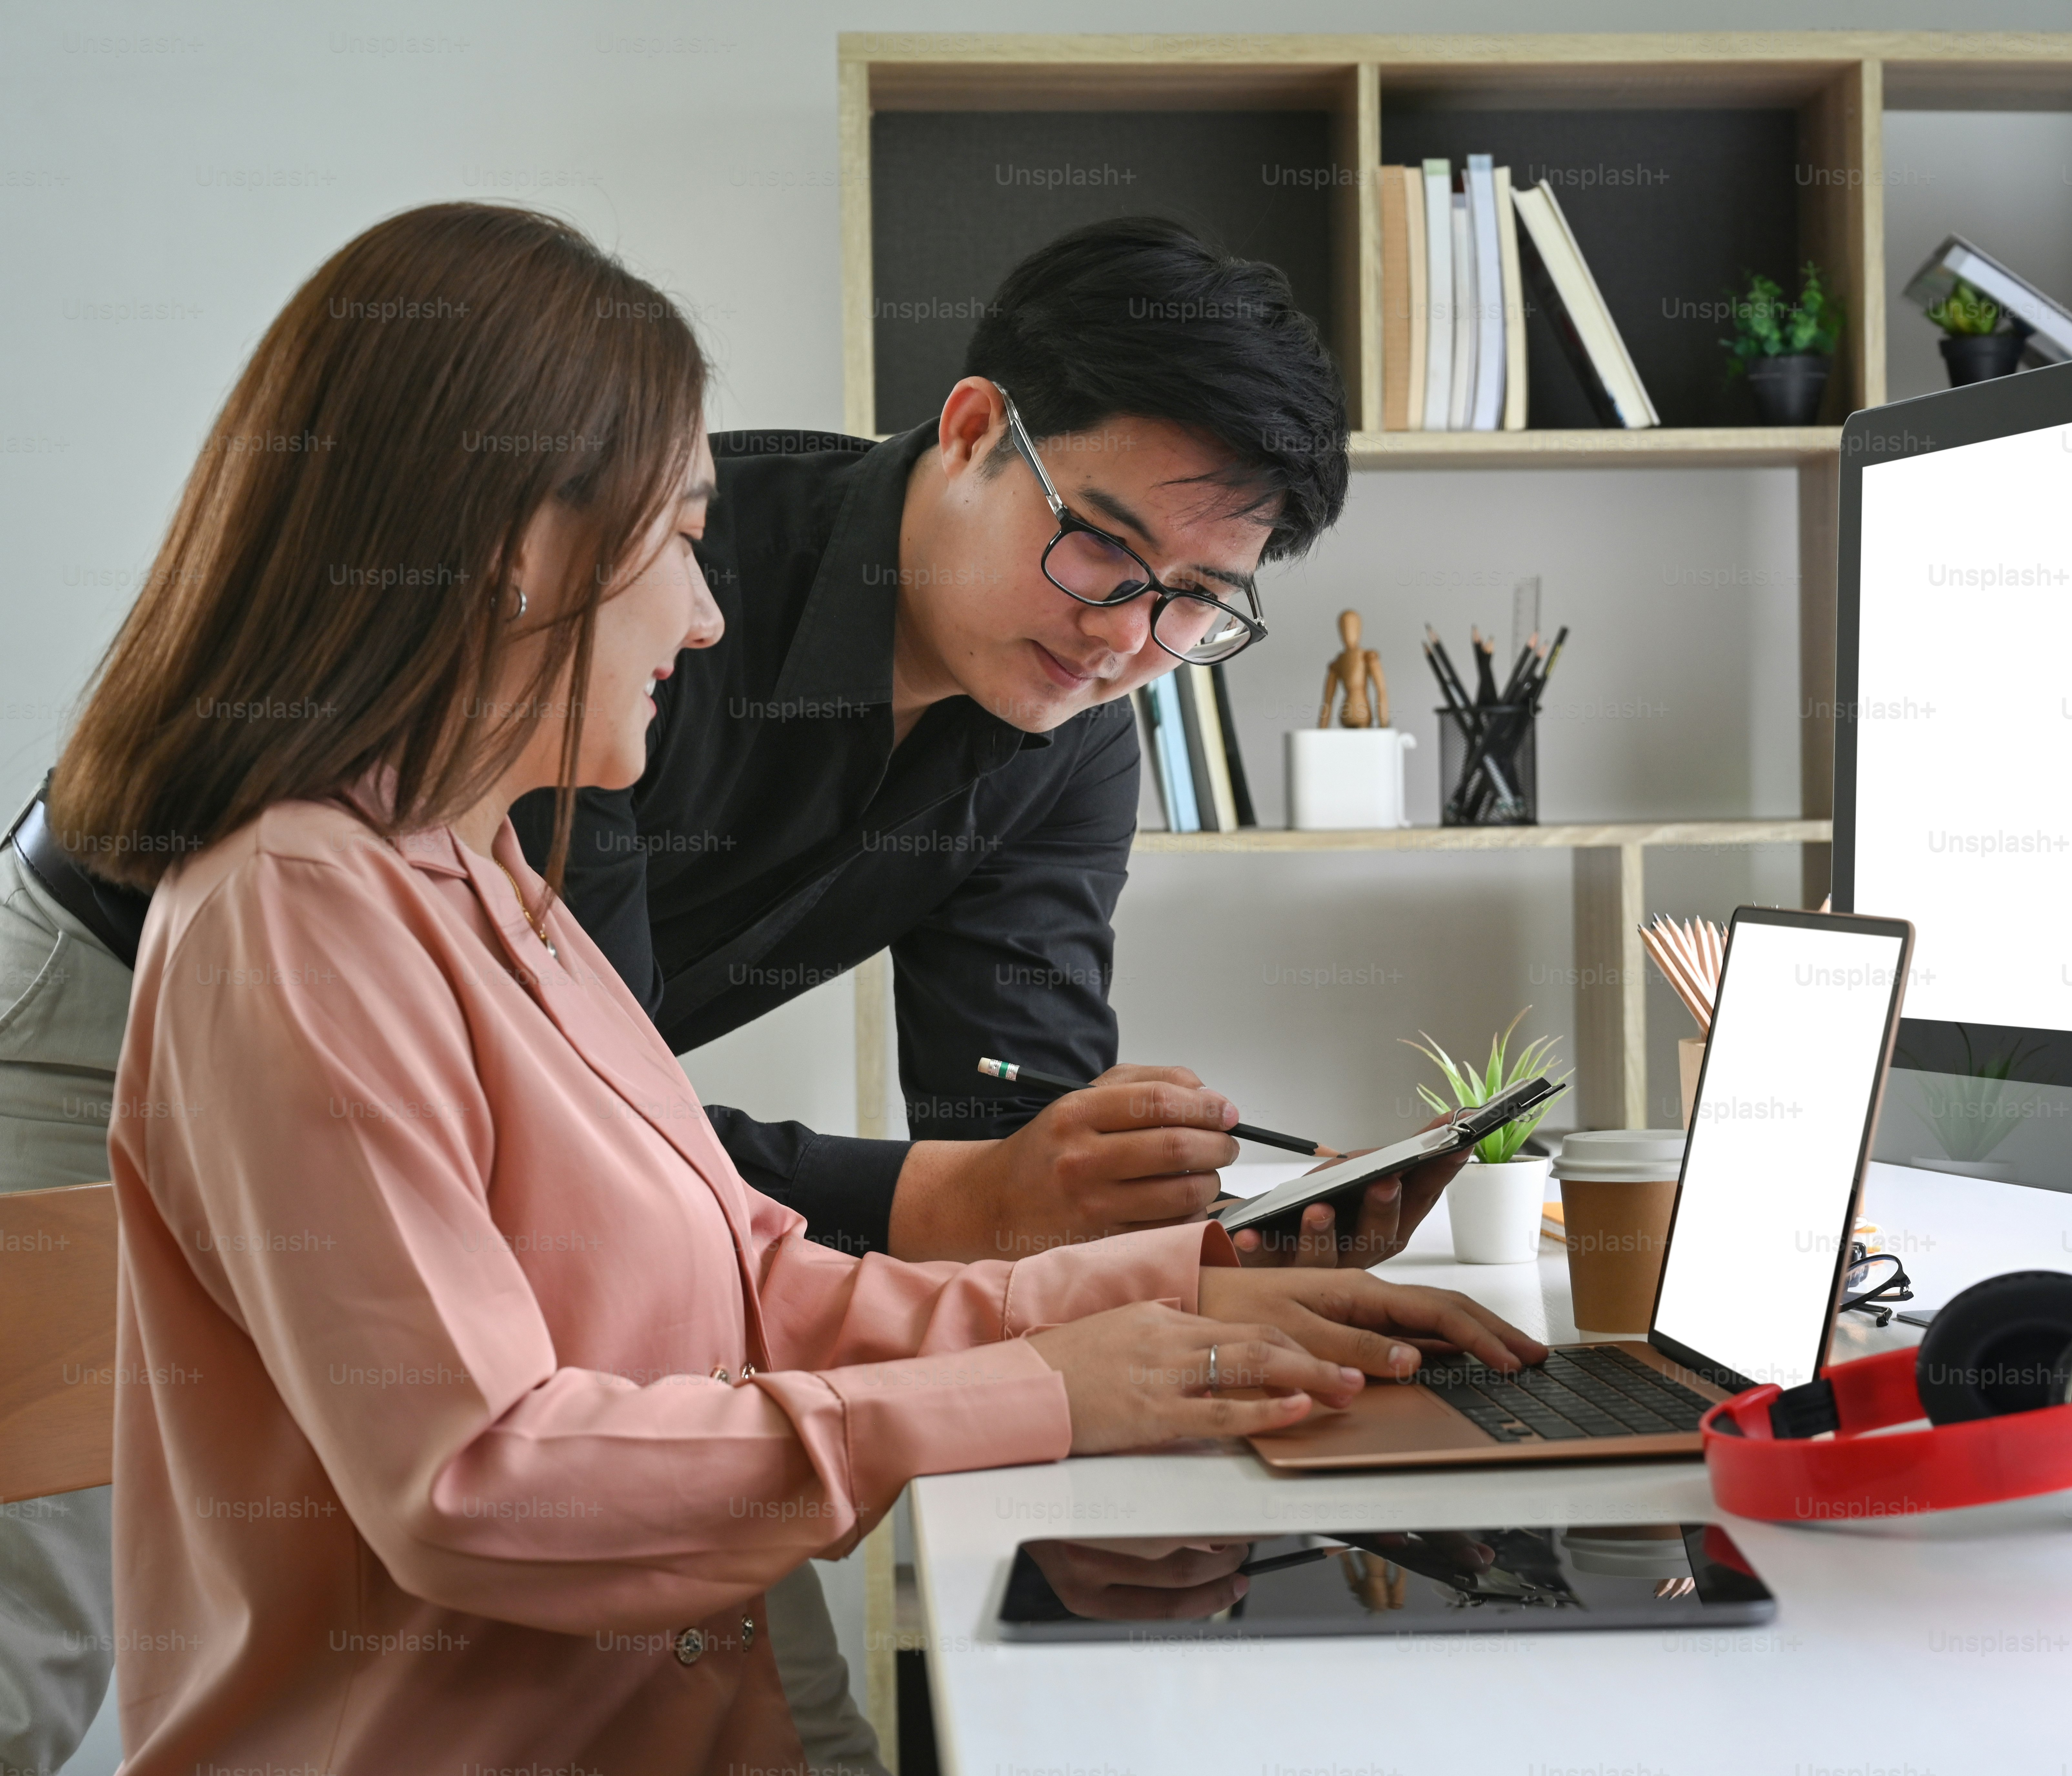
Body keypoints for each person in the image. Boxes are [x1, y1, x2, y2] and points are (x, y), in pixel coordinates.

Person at [41, 202, 1539, 1775]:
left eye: (1192, 603)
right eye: (1102, 548)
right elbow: (492, 1457)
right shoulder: (353, 879)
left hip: (614, 1563)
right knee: (34, 1629)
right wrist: (1024, 1367)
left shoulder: (489, 865)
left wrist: (1170, 1289)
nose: (1128, 637)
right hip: (104, 971)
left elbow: (707, 1237)